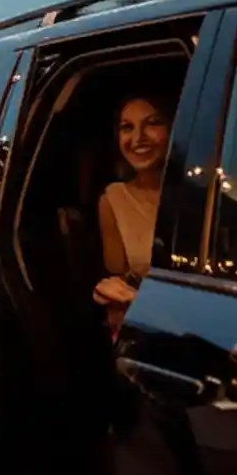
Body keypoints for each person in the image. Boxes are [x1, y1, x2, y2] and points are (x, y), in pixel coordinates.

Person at [93, 93, 173, 333]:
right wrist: (107, 290)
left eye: (153, 123)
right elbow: (118, 280)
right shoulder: (113, 200)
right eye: (127, 127)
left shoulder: (207, 194)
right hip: (153, 329)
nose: (138, 138)